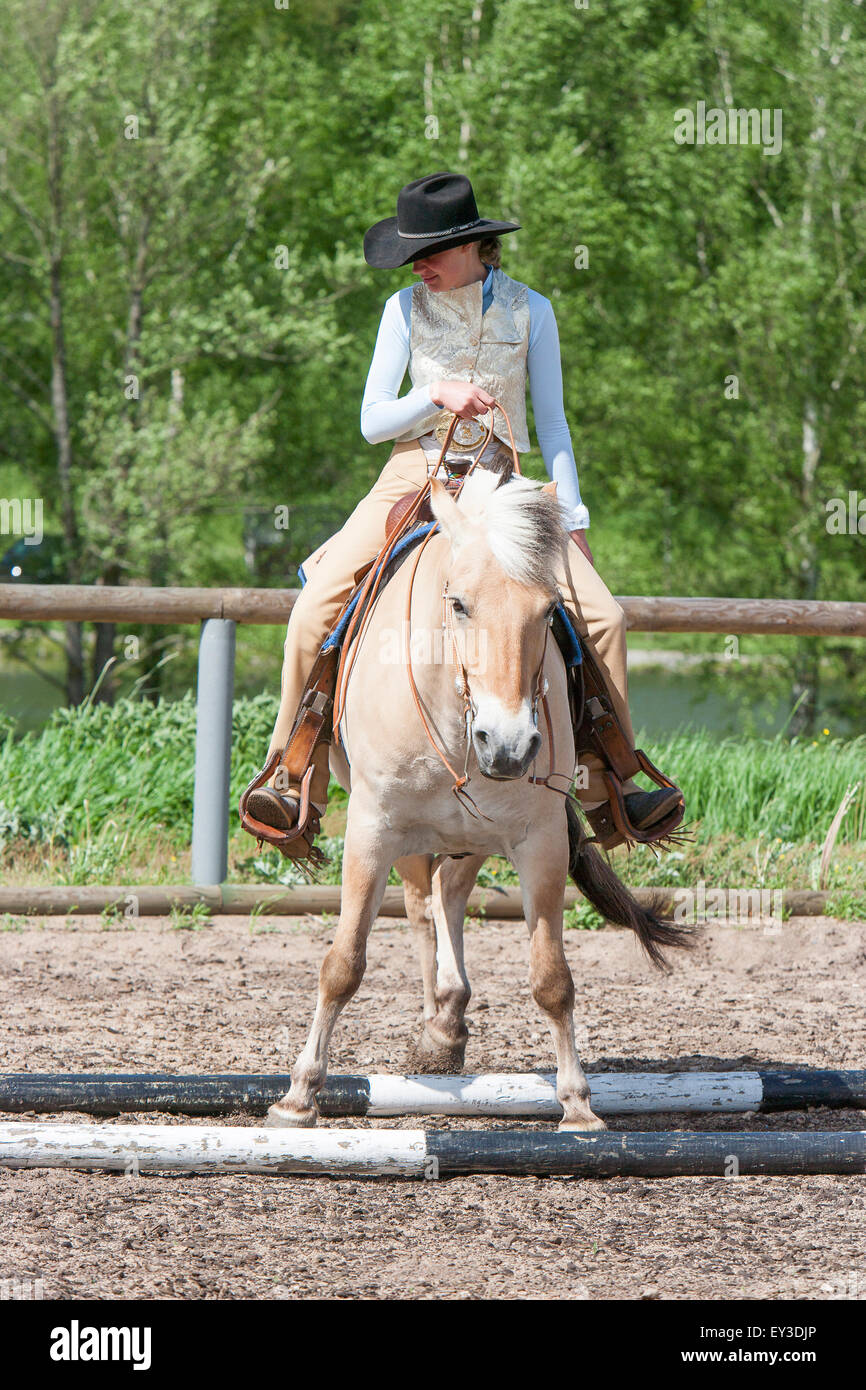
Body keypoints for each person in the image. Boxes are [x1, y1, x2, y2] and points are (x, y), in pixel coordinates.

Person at [245, 171, 683, 852]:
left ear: (473, 246)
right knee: (313, 608)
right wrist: (436, 395)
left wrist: (573, 517)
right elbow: (370, 420)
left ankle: (614, 780)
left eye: (430, 252)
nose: (419, 265)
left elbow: (555, 425)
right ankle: (292, 774)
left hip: (505, 485)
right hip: (411, 474)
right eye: (412, 255)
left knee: (607, 616)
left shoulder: (533, 310)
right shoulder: (401, 309)